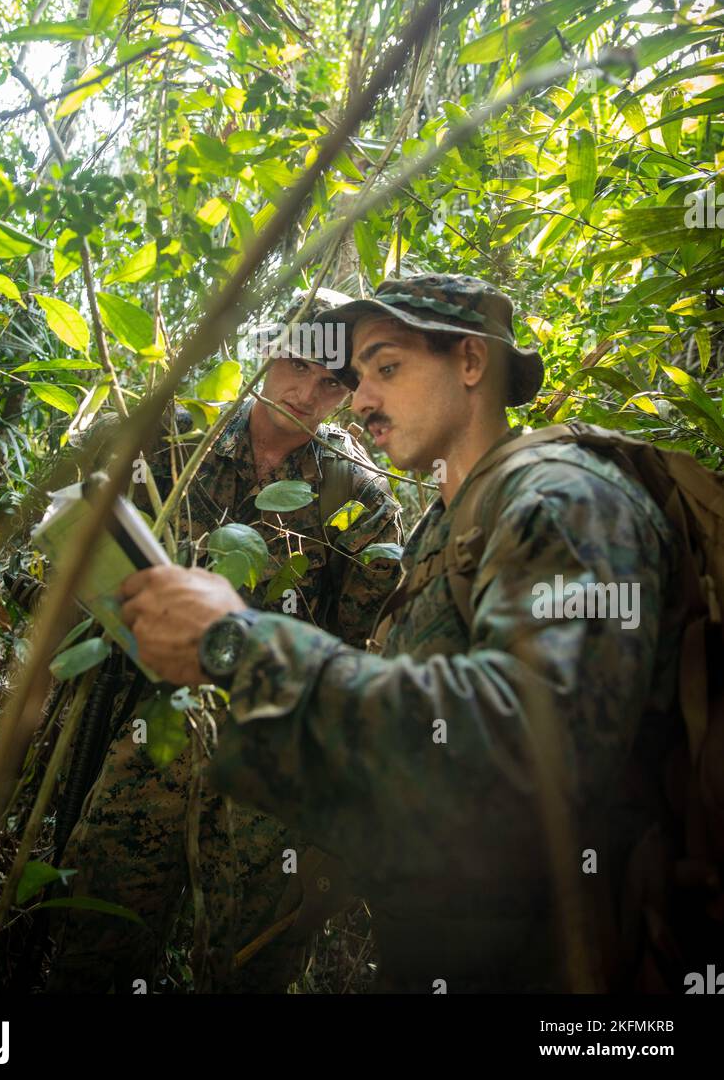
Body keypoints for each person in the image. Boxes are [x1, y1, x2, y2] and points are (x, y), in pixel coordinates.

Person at [116, 272, 686, 993]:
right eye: (355, 380)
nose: (361, 401)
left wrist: (238, 643)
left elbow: (528, 746)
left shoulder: (565, 498)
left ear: (472, 362)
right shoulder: (447, 527)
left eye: (386, 368)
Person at [47, 329, 403, 993]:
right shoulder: (181, 437)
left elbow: (360, 652)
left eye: (330, 383)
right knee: (98, 930)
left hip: (267, 753)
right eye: (297, 366)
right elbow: (73, 515)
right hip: (154, 724)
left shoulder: (358, 497)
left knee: (249, 963)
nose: (306, 391)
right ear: (269, 355)